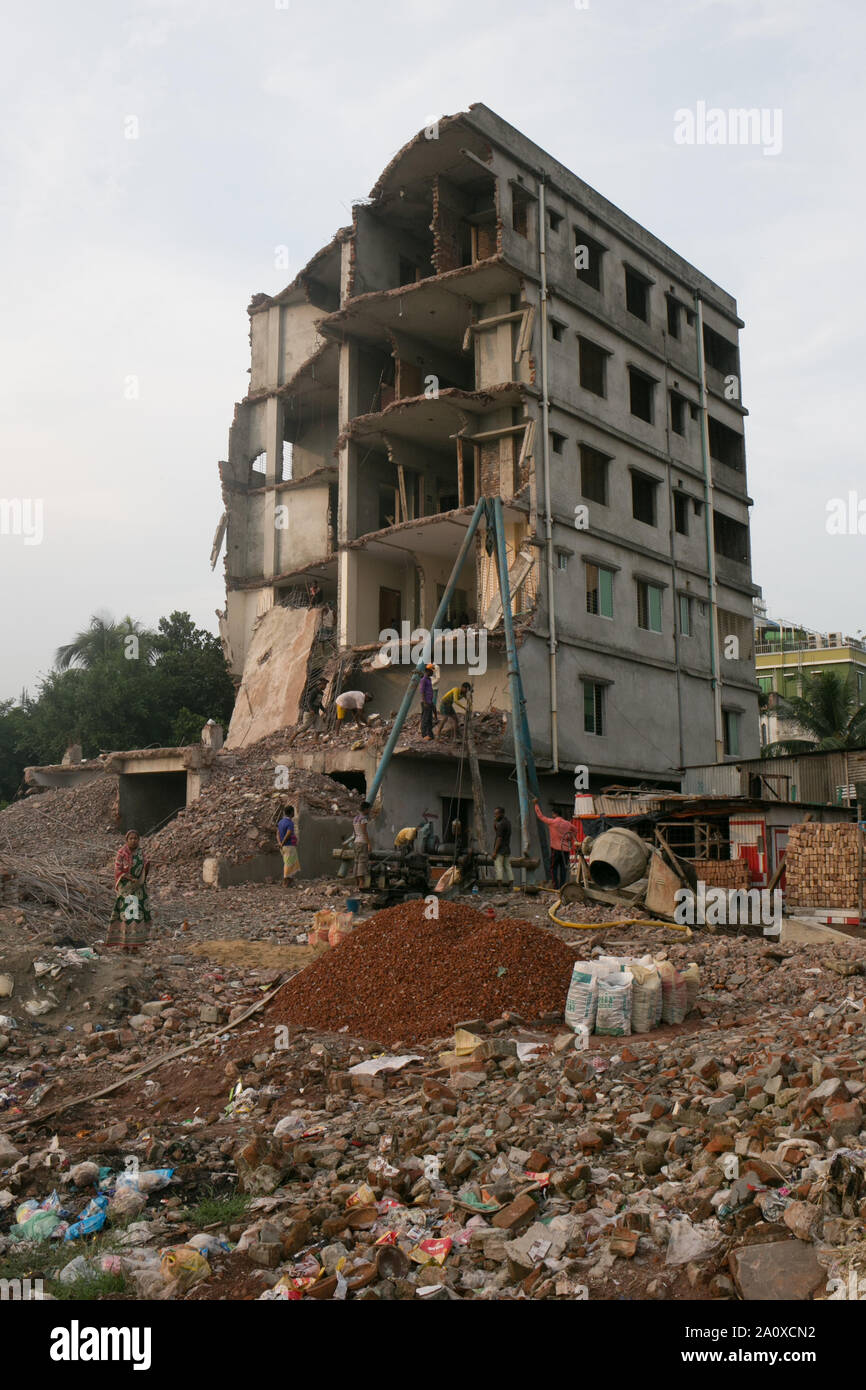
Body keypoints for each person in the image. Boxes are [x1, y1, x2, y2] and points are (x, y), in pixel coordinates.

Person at [106, 830, 151, 952]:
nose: (133, 840)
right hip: (125, 889)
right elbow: (117, 869)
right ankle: (124, 945)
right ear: (127, 840)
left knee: (137, 916)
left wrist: (146, 868)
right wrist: (127, 876)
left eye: (135, 838)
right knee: (126, 916)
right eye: (131, 838)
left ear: (139, 840)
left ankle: (135, 946)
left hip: (138, 889)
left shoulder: (141, 853)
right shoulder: (121, 853)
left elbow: (145, 866)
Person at [531, 796, 574, 889]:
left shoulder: (552, 822)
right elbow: (575, 830)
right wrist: (569, 838)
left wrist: (535, 804)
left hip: (555, 849)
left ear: (554, 814)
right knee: (563, 868)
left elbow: (540, 816)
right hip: (565, 850)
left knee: (553, 868)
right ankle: (562, 887)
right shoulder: (568, 823)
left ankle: (556, 887)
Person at [352, 798, 378, 889]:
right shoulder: (363, 819)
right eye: (369, 809)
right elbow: (364, 832)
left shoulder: (355, 818)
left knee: (356, 861)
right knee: (362, 862)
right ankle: (361, 883)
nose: (369, 811)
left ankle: (357, 881)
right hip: (362, 842)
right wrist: (369, 844)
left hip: (356, 842)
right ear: (366, 809)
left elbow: (355, 833)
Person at [277, 804, 300, 886]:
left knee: (290, 862)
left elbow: (278, 833)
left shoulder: (280, 822)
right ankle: (285, 881)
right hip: (289, 845)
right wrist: (283, 843)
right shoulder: (290, 823)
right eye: (293, 812)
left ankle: (290, 881)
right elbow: (289, 833)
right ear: (291, 813)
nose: (294, 814)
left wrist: (280, 843)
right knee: (289, 864)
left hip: (283, 847)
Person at [492, 806, 513, 888]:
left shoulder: (501, 824)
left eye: (496, 814)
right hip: (507, 849)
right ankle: (511, 885)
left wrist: (494, 852)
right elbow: (500, 833)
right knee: (508, 867)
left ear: (501, 814)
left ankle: (500, 887)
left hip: (500, 850)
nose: (495, 816)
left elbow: (499, 838)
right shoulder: (508, 822)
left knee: (498, 867)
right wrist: (495, 826)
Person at [419, 664, 436, 740]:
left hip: (429, 701)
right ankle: (424, 735)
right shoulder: (423, 680)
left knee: (429, 719)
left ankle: (430, 735)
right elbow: (422, 691)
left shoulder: (429, 679)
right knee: (425, 719)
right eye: (431, 671)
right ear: (427, 671)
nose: (432, 672)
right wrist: (424, 701)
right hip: (426, 702)